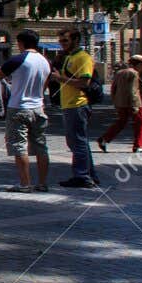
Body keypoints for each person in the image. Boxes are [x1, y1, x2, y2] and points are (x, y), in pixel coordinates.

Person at [0, 30, 52, 192]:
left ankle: (25, 183)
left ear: (21, 42)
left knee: (19, 145)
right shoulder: (45, 61)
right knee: (41, 146)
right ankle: (42, 183)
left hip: (19, 107)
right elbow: (44, 86)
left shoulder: (18, 59)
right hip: (38, 107)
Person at [50, 28, 99, 188]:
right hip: (70, 104)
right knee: (78, 142)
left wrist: (60, 78)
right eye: (60, 41)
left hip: (78, 104)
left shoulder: (82, 57)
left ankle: (82, 176)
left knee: (77, 142)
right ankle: (89, 174)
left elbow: (84, 82)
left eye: (65, 41)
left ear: (76, 40)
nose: (62, 44)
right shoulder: (69, 57)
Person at [99, 55, 142, 154]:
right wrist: (135, 106)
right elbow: (133, 90)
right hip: (133, 103)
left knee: (121, 122)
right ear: (138, 64)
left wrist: (115, 102)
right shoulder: (134, 73)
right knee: (140, 123)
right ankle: (138, 146)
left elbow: (113, 88)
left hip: (121, 103)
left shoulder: (119, 73)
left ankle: (104, 139)